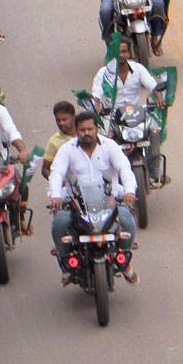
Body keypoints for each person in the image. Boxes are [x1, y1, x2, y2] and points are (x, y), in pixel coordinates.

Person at [47, 111, 138, 283]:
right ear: (77, 130)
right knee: (59, 224)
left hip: (108, 198)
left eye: (90, 129)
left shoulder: (110, 146)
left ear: (97, 129)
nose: (86, 133)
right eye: (82, 130)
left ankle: (124, 262)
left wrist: (129, 191)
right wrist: (56, 195)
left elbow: (124, 168)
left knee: (127, 222)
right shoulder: (67, 149)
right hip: (76, 200)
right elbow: (57, 172)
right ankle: (66, 265)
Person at [91, 35, 167, 184]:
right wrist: (97, 106)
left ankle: (154, 170)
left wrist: (159, 97)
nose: (121, 55)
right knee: (104, 138)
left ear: (129, 53)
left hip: (136, 113)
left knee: (155, 129)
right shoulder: (103, 73)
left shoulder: (138, 69)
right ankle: (106, 176)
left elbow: (152, 86)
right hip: (112, 116)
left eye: (124, 51)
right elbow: (97, 94)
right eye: (117, 52)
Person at [41, 100, 77, 180]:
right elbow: (45, 169)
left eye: (64, 119)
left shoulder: (84, 135)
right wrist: (59, 182)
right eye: (58, 120)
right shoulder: (53, 141)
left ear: (74, 116)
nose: (61, 123)